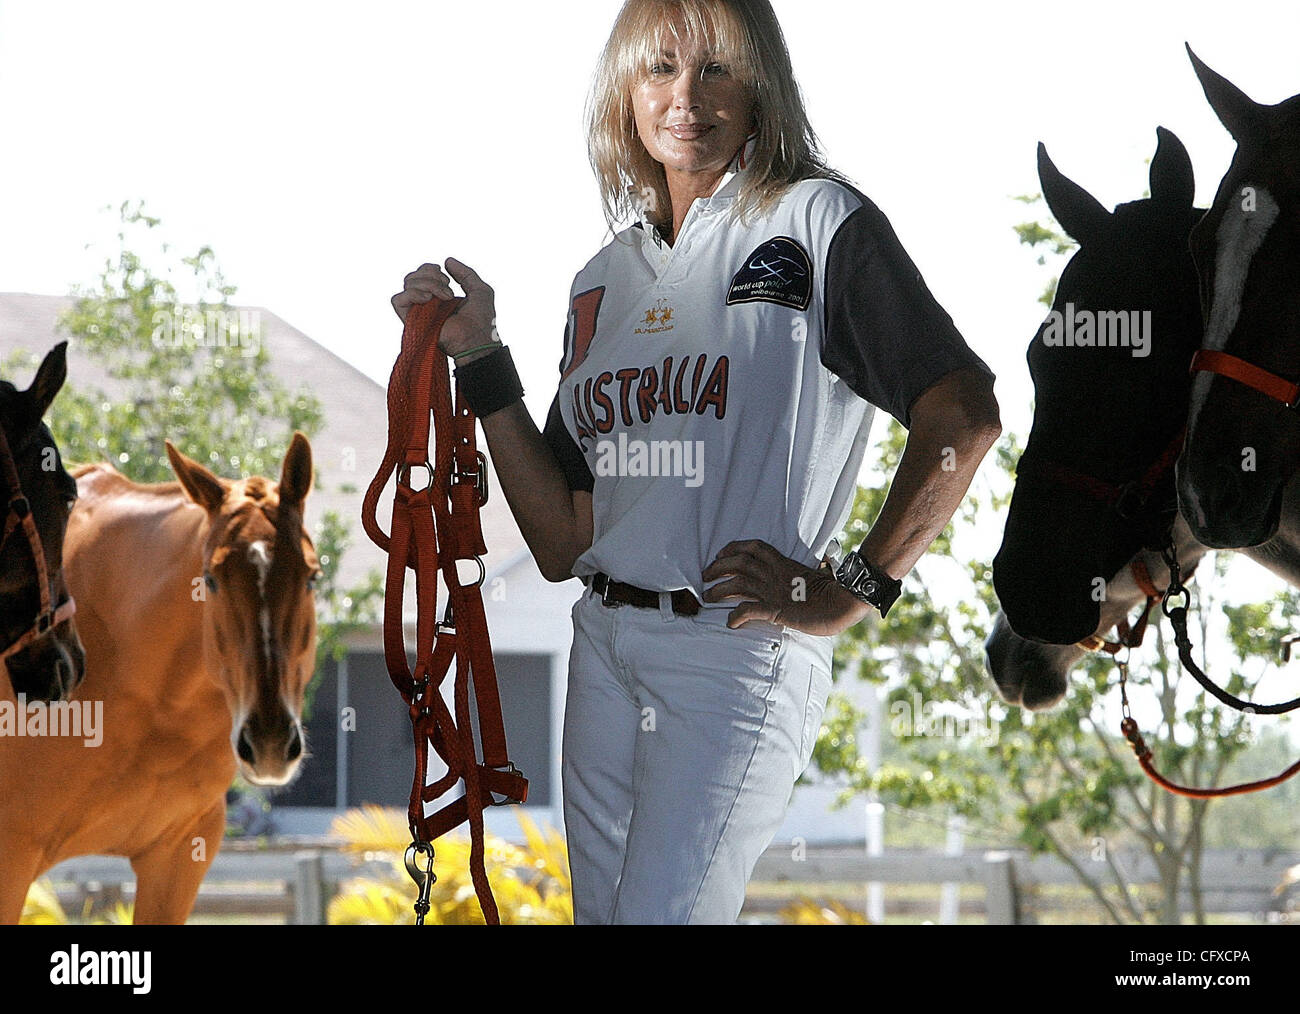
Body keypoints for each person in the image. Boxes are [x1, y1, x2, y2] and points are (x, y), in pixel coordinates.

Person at [392, 0, 1001, 924]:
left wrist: (852, 588)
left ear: (761, 85)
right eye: (660, 68)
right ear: (623, 95)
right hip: (600, 646)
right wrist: (480, 358)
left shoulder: (815, 219)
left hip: (733, 646)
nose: (687, 96)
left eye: (716, 69)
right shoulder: (604, 277)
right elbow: (561, 538)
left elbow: (964, 412)